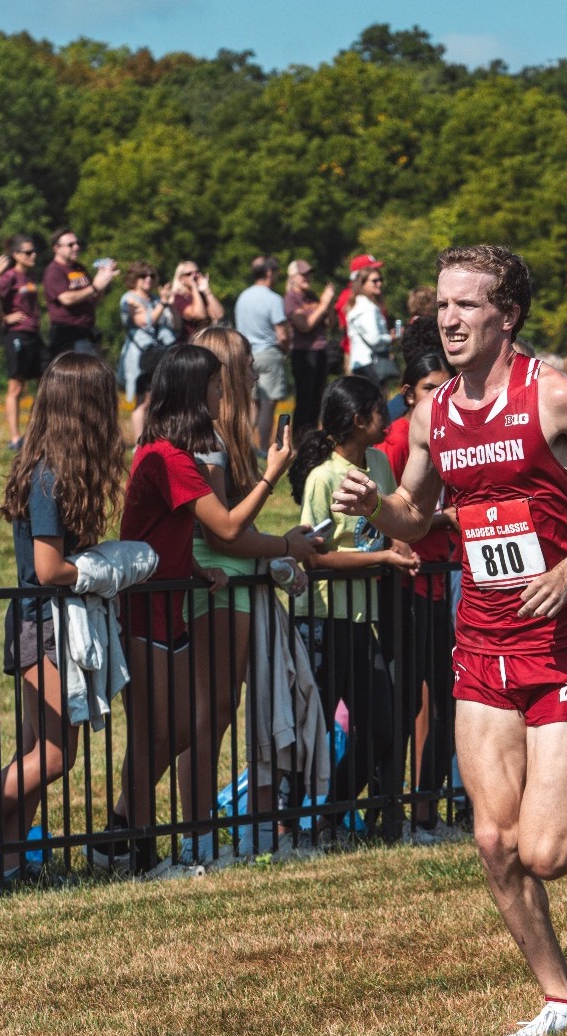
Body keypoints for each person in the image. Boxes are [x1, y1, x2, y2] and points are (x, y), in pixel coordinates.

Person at [331, 244, 567, 1036]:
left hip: (561, 645)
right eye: (442, 307)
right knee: (493, 841)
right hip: (482, 644)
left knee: (547, 851)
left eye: (466, 306)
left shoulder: (557, 398)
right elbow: (418, 521)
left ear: (507, 315)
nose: (447, 321)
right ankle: (562, 998)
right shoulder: (432, 415)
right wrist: (374, 504)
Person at [95, 341, 315, 878]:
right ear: (196, 393)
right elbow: (227, 527)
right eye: (216, 386)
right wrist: (272, 472)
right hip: (147, 613)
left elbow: (163, 536)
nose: (224, 393)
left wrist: (195, 572)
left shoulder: (173, 455)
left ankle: (121, 839)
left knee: (172, 733)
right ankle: (139, 853)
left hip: (171, 603)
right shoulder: (168, 458)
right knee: (156, 736)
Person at [0, 353, 123, 884]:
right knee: (52, 756)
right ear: (85, 408)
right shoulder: (50, 476)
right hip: (41, 626)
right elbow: (48, 569)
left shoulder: (59, 470)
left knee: (36, 750)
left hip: (49, 623)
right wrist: (103, 568)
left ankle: (14, 864)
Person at [293, 376, 418, 830]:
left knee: (382, 727)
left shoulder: (381, 463)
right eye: (378, 411)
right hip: (324, 619)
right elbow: (311, 555)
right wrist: (384, 555)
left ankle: (328, 814)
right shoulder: (322, 478)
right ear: (359, 419)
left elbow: (391, 520)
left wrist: (397, 544)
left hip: (365, 618)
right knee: (312, 730)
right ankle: (288, 825)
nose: (387, 417)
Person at [377, 346, 464, 841]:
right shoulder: (394, 442)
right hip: (403, 587)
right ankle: (394, 816)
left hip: (436, 582)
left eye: (445, 386)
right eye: (430, 388)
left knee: (448, 703)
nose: (439, 396)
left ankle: (426, 813)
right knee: (405, 705)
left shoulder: (447, 435)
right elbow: (389, 516)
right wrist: (442, 519)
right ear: (408, 393)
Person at [233, 255, 292, 449]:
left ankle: (244, 445)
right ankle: (265, 448)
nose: (277, 277)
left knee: (252, 404)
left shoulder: (243, 296)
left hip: (246, 355)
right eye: (276, 273)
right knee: (268, 404)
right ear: (268, 273)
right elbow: (282, 334)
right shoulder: (273, 298)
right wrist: (286, 350)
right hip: (268, 353)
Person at [116, 261, 177, 439]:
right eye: (143, 276)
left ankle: (154, 437)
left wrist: (169, 304)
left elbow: (176, 326)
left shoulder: (156, 300)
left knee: (156, 399)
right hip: (140, 355)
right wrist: (163, 303)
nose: (148, 279)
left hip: (159, 353)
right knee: (142, 400)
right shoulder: (128, 299)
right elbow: (144, 321)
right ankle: (138, 443)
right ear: (134, 278)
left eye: (152, 275)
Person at [0, 235, 45, 449]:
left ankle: (36, 433)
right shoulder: (8, 277)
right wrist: (4, 317)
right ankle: (15, 438)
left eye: (34, 251)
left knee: (47, 382)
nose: (33, 255)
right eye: (27, 252)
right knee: (16, 386)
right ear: (16, 255)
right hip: (16, 335)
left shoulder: (31, 276)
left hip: (34, 335)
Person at [42, 229, 118, 359]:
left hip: (87, 332)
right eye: (71, 245)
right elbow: (66, 299)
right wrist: (94, 287)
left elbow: (94, 298)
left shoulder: (79, 268)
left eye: (77, 243)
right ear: (57, 248)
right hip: (68, 335)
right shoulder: (54, 271)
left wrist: (103, 282)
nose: (76, 247)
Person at [282, 259, 336, 434]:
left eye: (309, 273)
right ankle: (299, 440)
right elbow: (304, 325)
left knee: (318, 400)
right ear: (293, 276)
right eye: (303, 274)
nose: (307, 277)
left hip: (321, 351)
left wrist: (329, 304)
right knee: (305, 400)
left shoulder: (312, 296)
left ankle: (312, 439)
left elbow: (331, 323)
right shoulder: (291, 299)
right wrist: (323, 304)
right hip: (303, 353)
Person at [344, 261, 392, 384]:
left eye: (380, 279)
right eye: (374, 281)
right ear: (362, 283)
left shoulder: (358, 304)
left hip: (360, 363)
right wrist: (390, 338)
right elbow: (374, 339)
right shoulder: (367, 308)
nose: (379, 283)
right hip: (370, 364)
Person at [166, 260, 223, 335]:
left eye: (196, 272)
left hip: (207, 338)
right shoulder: (178, 298)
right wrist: (194, 287)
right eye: (189, 274)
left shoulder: (202, 294)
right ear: (181, 279)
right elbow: (199, 315)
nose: (194, 276)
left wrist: (207, 290)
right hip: (190, 342)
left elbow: (219, 315)